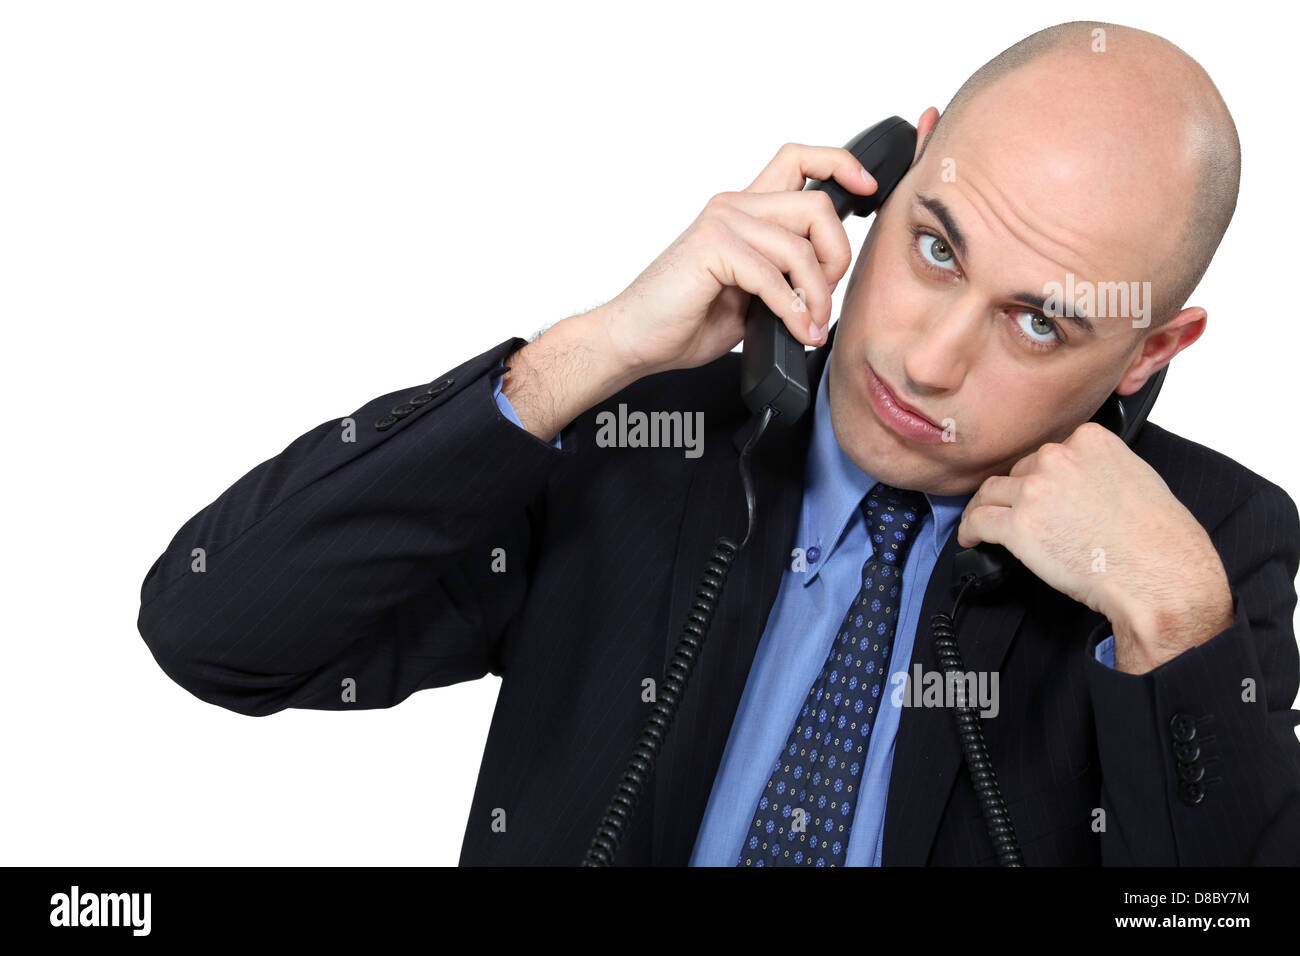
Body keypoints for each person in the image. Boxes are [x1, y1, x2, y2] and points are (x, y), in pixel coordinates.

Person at [136, 20, 1300, 865]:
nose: (926, 360)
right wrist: (581, 354)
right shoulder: (643, 430)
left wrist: (1178, 634)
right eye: (935, 248)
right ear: (891, 174)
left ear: (1150, 351)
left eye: (1039, 320)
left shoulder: (1207, 557)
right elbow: (215, 631)